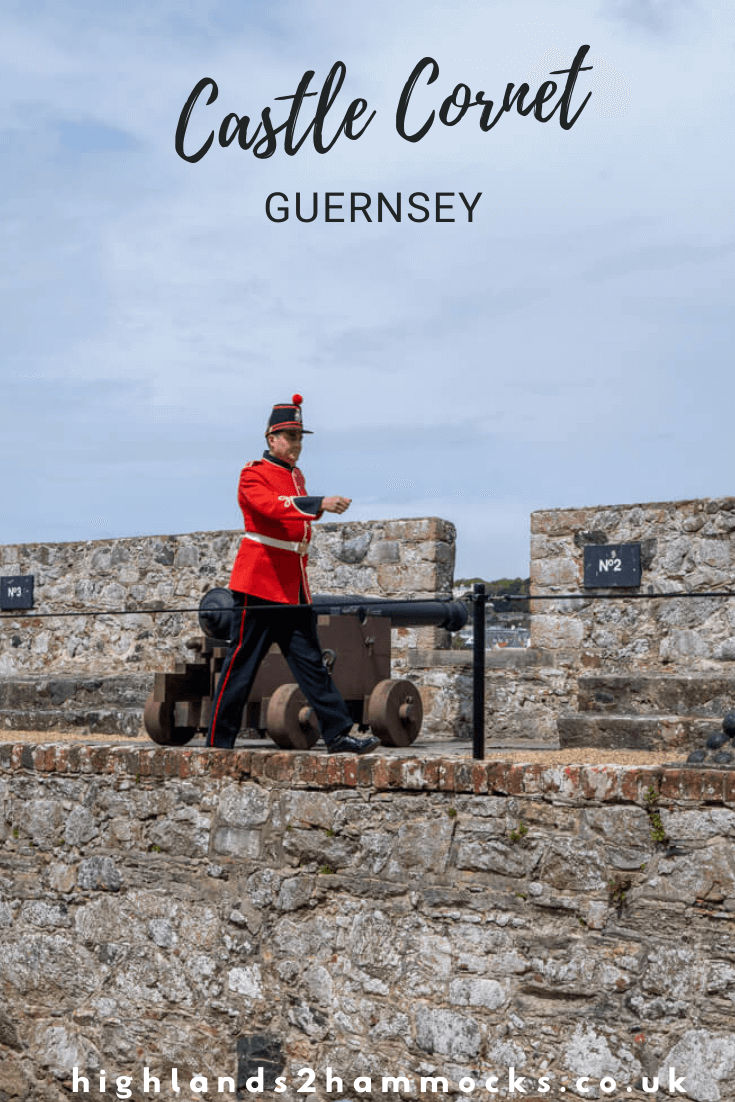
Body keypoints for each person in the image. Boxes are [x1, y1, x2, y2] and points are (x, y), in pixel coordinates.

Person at [206, 394, 380, 754]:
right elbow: (272, 508)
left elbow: (293, 517)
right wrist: (319, 503)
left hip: (291, 585)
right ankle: (218, 741)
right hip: (259, 582)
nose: (297, 443)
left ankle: (337, 734)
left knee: (312, 664)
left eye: (299, 437)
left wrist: (317, 506)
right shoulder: (253, 473)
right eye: (290, 436)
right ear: (272, 439)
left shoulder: (295, 475)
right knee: (242, 664)